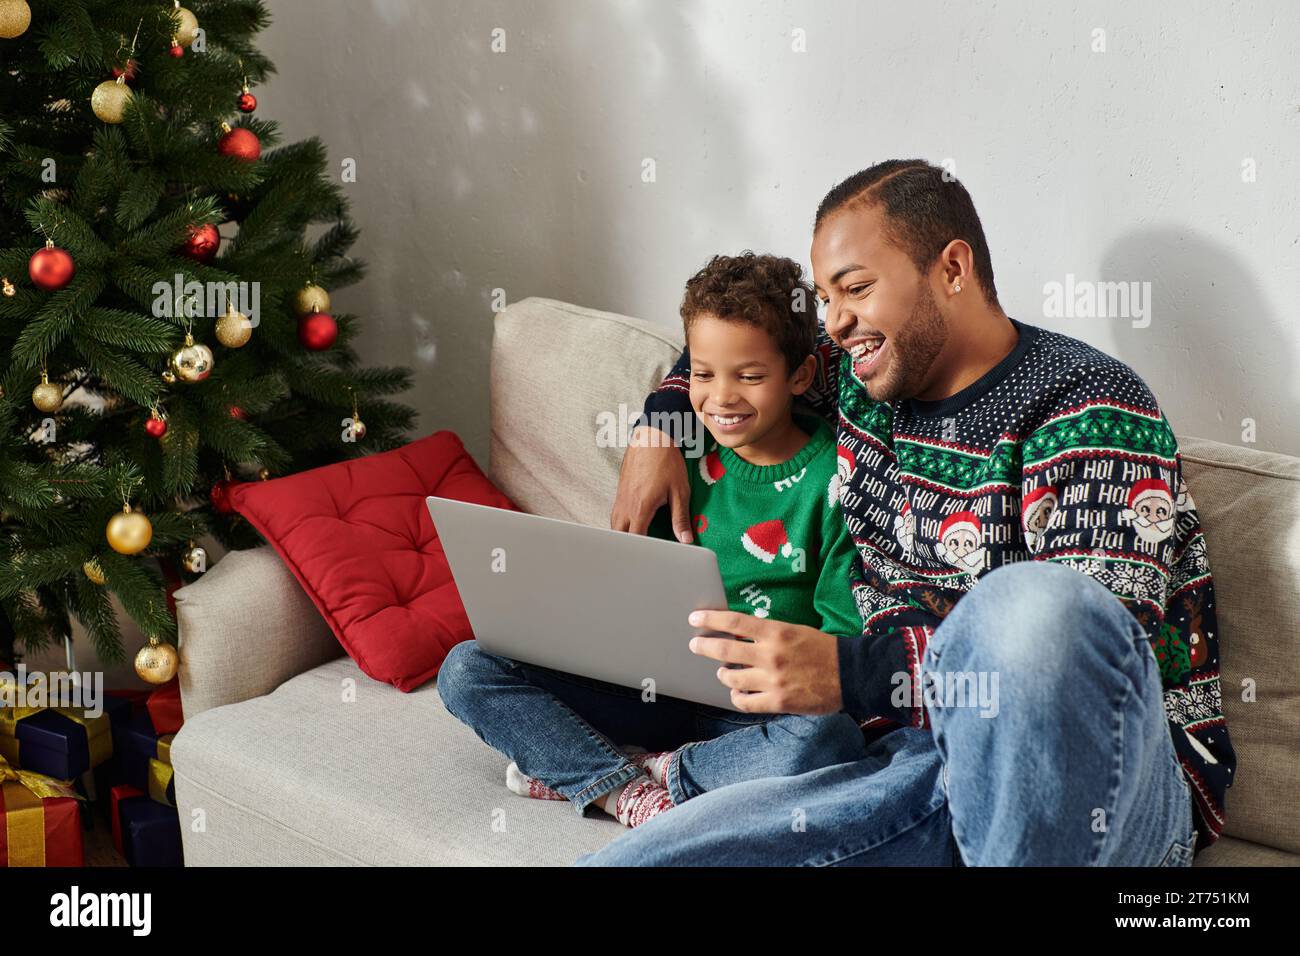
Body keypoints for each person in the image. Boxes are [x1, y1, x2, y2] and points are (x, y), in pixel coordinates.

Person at [585, 159, 1234, 865]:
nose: (835, 323)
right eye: (827, 299)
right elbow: (740, 341)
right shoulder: (862, 382)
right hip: (913, 763)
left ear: (952, 269)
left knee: (1033, 608)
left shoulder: (1090, 405)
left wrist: (847, 672)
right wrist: (659, 426)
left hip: (1113, 792)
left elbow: (1082, 669)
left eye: (856, 289)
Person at [438, 252, 873, 829]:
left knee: (829, 741)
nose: (721, 398)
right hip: (647, 689)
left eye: (749, 375)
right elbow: (626, 583)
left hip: (754, 712)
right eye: (703, 373)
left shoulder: (838, 481)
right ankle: (625, 794)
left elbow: (837, 644)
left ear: (800, 375)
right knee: (468, 667)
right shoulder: (679, 463)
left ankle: (638, 771)